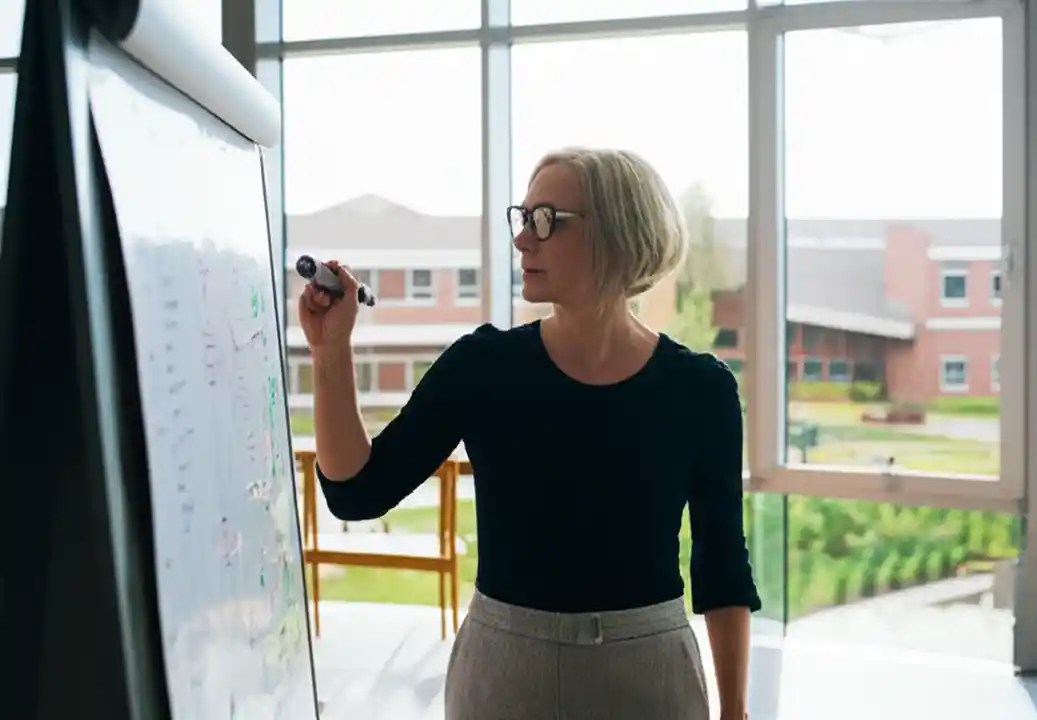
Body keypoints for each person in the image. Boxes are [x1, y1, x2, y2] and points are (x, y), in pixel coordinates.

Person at [298, 146, 761, 720]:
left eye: (546, 221)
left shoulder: (702, 390)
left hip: (651, 679)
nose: (522, 240)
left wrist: (736, 711)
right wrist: (330, 353)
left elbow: (722, 566)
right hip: (502, 677)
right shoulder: (482, 366)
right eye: (523, 217)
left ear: (618, 233)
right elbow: (357, 492)